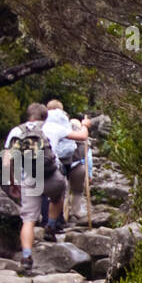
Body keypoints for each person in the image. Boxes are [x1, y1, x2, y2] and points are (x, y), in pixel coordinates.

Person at [2, 102, 66, 273]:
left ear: (28, 115)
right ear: (45, 117)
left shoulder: (16, 131)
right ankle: (51, 226)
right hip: (53, 177)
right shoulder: (51, 129)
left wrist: (12, 182)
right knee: (58, 197)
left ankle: (26, 257)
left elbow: (7, 161)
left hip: (30, 178)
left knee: (28, 220)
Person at [44, 99, 89, 233]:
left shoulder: (42, 122)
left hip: (41, 160)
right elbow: (82, 137)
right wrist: (85, 125)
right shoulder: (62, 123)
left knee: (44, 193)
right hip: (64, 162)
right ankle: (58, 221)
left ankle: (45, 221)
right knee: (60, 192)